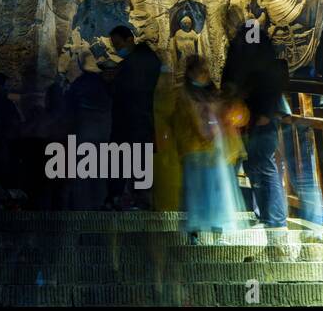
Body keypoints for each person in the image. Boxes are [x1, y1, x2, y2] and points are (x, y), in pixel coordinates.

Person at [222, 17, 296, 229]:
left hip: (250, 118)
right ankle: (268, 216)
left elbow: (230, 82)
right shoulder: (264, 56)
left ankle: (272, 218)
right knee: (259, 166)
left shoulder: (240, 54)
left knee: (261, 166)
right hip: (255, 118)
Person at [172, 56, 244, 243]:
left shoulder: (211, 93)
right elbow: (188, 121)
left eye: (205, 71)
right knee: (197, 194)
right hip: (195, 150)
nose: (204, 75)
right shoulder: (186, 95)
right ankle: (194, 235)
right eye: (200, 71)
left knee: (215, 193)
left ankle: (218, 232)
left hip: (212, 150)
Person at [106, 25, 161, 209]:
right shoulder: (142, 60)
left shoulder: (137, 62)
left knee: (131, 166)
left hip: (134, 122)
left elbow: (132, 91)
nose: (116, 49)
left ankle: (127, 200)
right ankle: (134, 200)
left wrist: (114, 80)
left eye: (118, 44)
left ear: (130, 39)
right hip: (138, 123)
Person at [66, 51, 112, 210]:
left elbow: (69, 108)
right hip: (102, 132)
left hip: (84, 132)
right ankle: (99, 203)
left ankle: (83, 205)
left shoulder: (78, 84)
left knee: (83, 172)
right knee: (100, 171)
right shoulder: (104, 84)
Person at [0, 72, 25, 208]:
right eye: (6, 86)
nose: (8, 88)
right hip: (5, 146)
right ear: (0, 87)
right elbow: (16, 122)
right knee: (5, 179)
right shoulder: (5, 103)